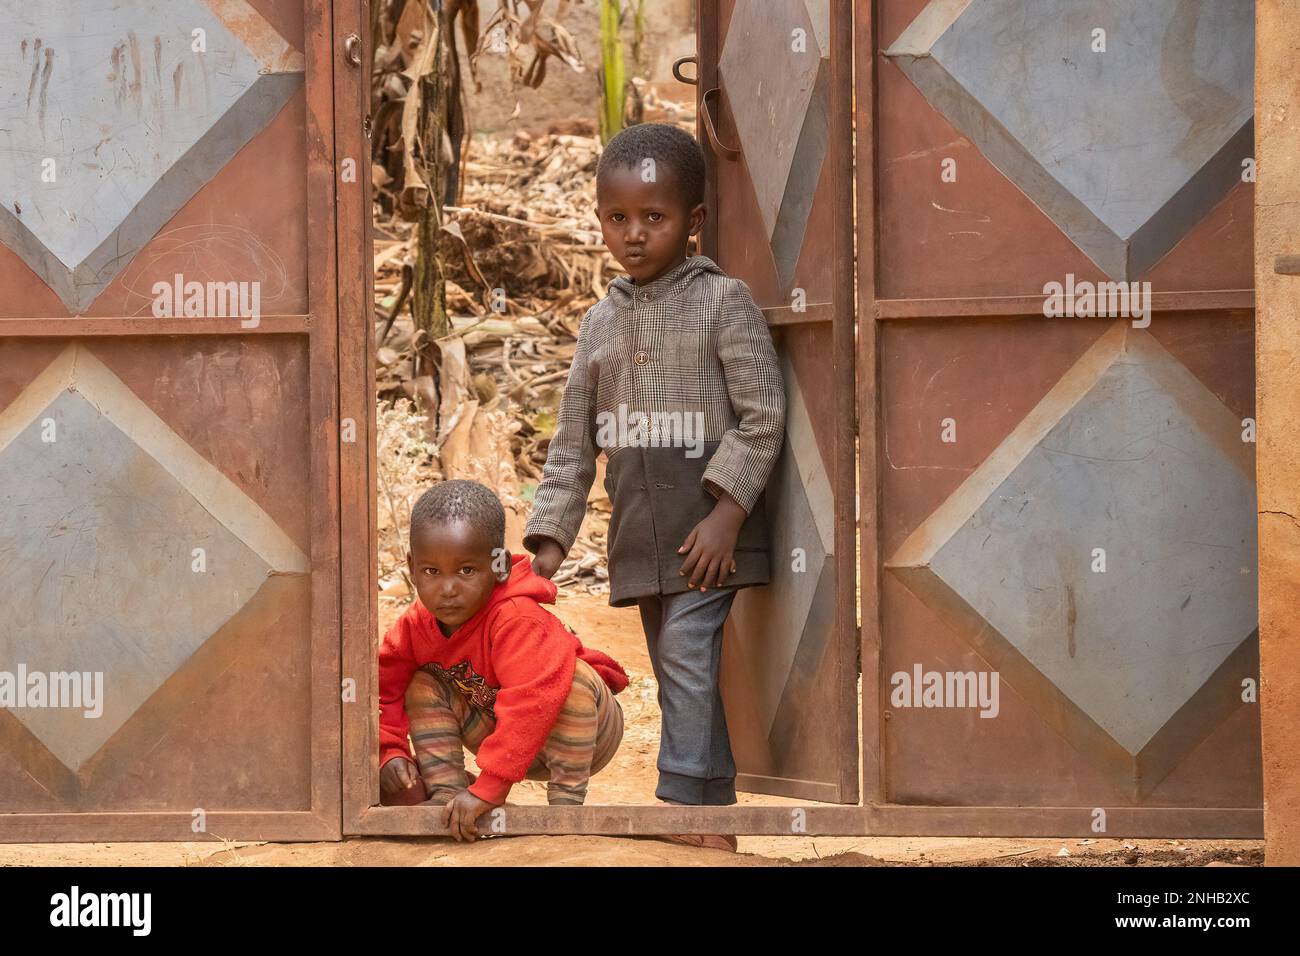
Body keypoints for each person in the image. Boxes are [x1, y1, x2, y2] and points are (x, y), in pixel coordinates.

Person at [523, 123, 787, 851]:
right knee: (676, 669)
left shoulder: (723, 303)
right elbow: (574, 442)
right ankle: (713, 820)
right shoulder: (599, 324)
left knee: (687, 654)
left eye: (655, 217)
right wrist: (548, 539)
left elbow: (764, 414)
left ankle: (684, 810)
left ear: (693, 221)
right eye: (617, 217)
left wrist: (729, 513)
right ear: (600, 217)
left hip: (707, 528)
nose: (633, 234)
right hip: (639, 526)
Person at [379, 480, 628, 842]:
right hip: (503, 735)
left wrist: (489, 788)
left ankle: (566, 811)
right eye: (432, 571)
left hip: (586, 733)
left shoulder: (516, 618)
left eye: (466, 570)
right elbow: (385, 687)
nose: (447, 589)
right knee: (421, 683)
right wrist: (389, 750)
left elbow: (532, 703)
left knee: (570, 679)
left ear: (498, 565)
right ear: (412, 567)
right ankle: (448, 798)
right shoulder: (416, 625)